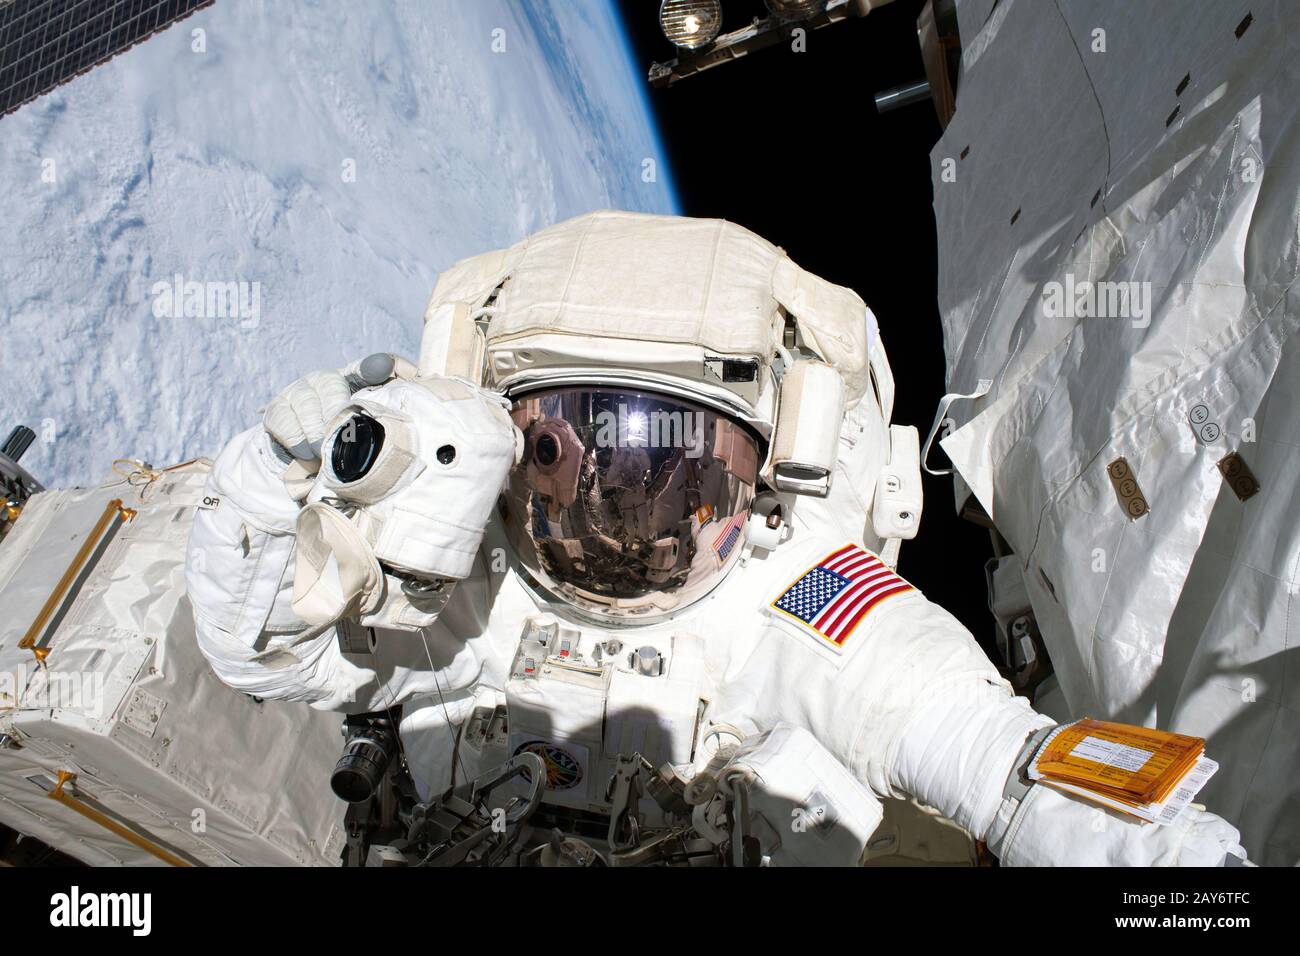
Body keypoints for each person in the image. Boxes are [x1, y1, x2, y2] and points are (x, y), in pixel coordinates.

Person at [185, 211, 1246, 865]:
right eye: (573, 445)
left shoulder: (796, 591)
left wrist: (1164, 859)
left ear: (772, 462)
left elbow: (992, 756)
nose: (617, 498)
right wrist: (271, 487)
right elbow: (258, 649)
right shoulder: (477, 582)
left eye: (672, 460)